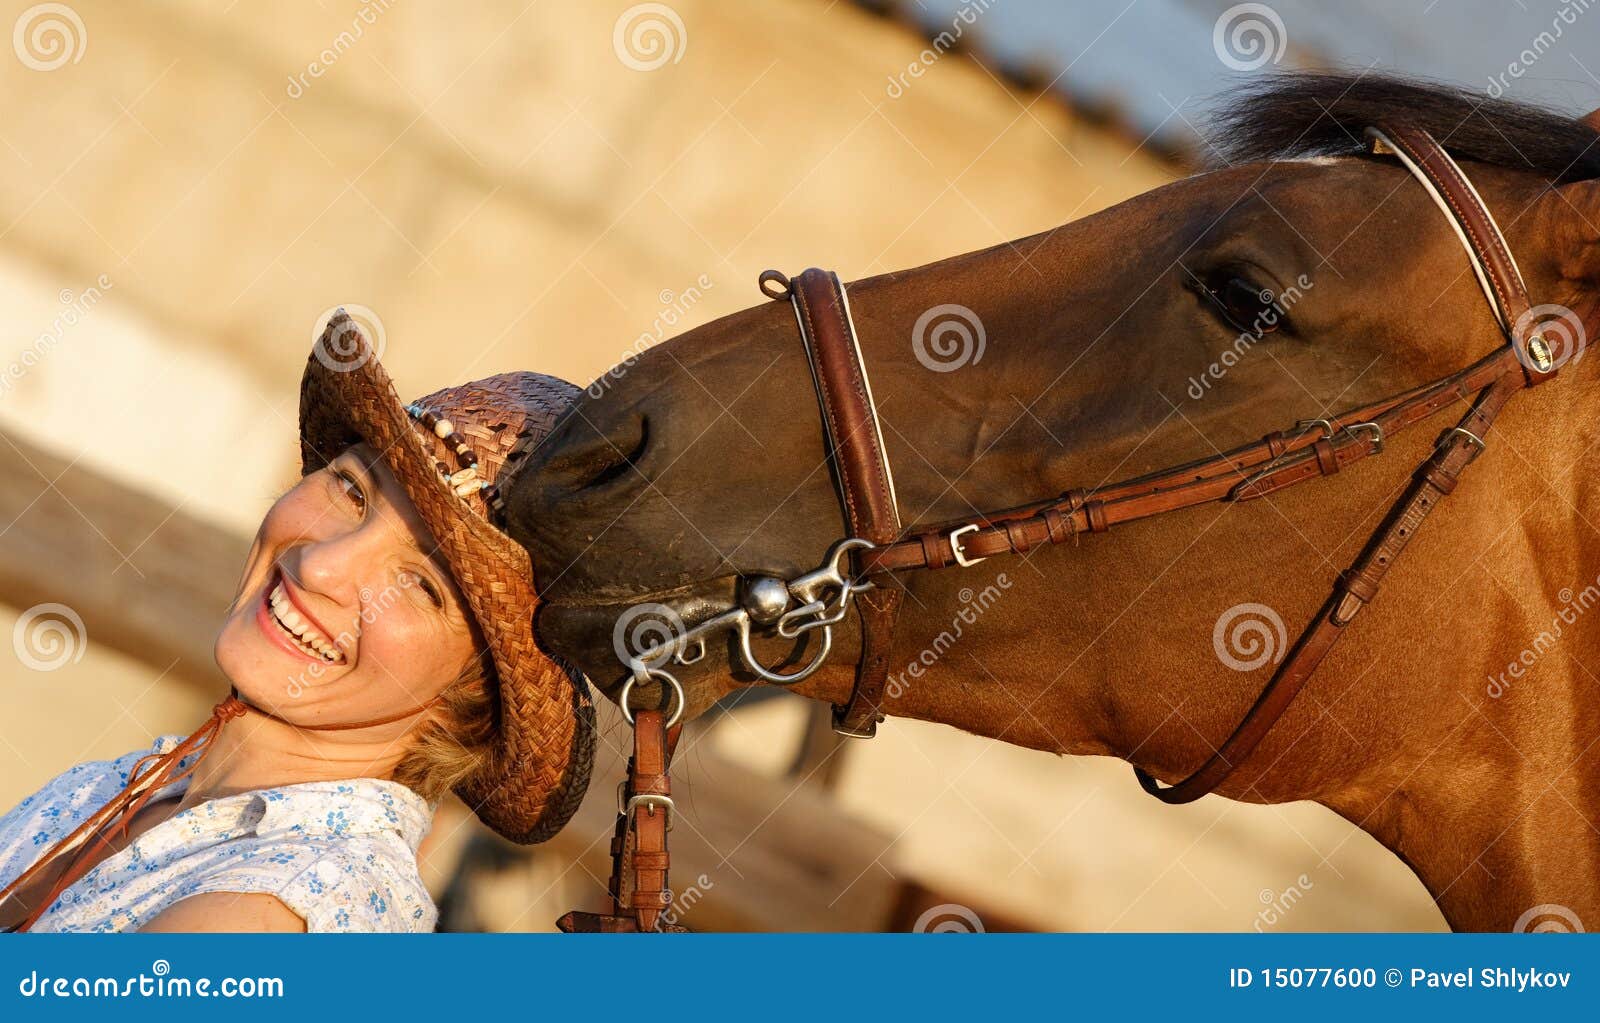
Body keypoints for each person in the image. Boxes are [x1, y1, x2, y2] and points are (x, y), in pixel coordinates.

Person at [0, 312, 595, 932]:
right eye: (351, 490)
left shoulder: (283, 907)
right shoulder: (134, 791)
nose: (320, 564)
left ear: (471, 698)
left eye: (422, 585)